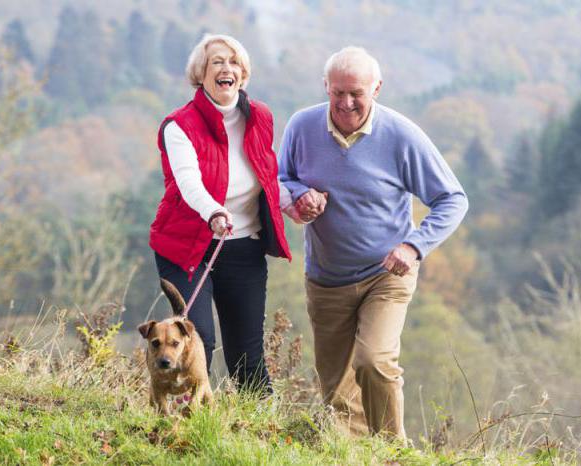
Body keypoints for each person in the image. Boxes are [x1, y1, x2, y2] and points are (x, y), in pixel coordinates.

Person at [278, 46, 468, 439]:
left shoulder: (401, 136)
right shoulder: (301, 126)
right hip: (326, 278)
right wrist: (298, 197)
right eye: (337, 93)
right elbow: (279, 180)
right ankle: (360, 454)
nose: (346, 103)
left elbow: (452, 199)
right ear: (325, 88)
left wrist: (414, 247)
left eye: (356, 94)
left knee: (373, 361)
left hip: (387, 273)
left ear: (376, 89)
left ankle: (392, 450)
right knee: (336, 390)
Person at [149, 33, 294, 393]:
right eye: (217, 62)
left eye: (233, 62)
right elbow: (188, 181)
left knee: (247, 353)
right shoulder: (178, 125)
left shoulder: (260, 117)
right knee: (197, 341)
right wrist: (214, 211)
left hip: (244, 246)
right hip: (187, 247)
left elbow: (266, 175)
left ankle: (261, 429)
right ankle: (187, 422)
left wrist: (294, 203)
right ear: (201, 74)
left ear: (243, 74)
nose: (226, 68)